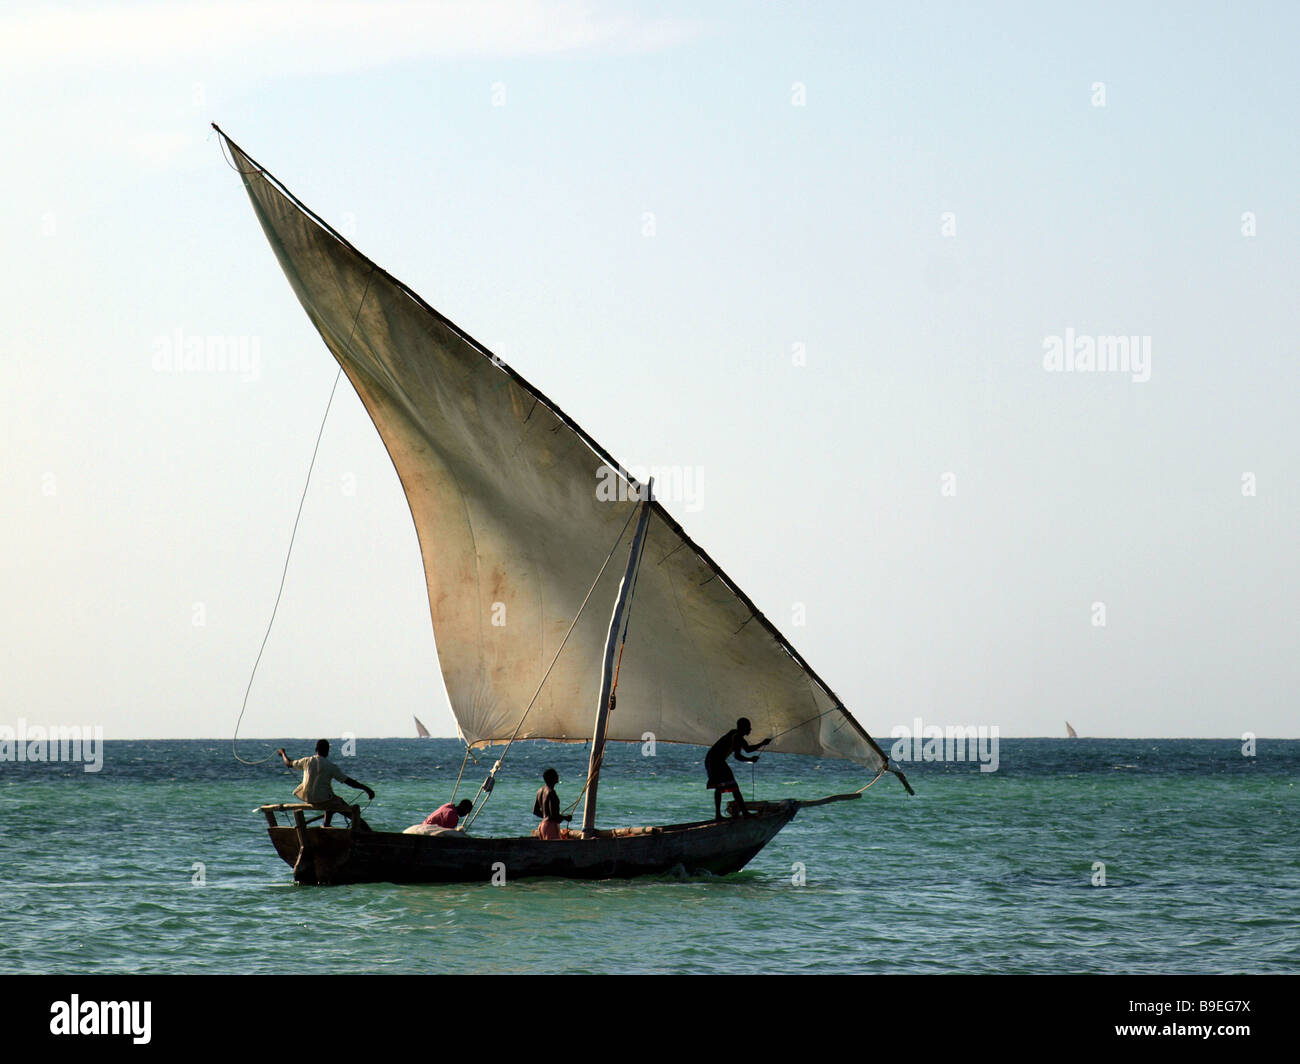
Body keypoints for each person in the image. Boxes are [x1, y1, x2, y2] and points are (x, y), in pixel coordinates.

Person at [277, 740, 374, 831]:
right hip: (323, 800)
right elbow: (348, 781)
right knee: (347, 810)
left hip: (308, 798)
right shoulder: (331, 766)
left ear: (316, 750)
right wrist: (366, 789)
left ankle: (326, 824)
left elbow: (289, 763)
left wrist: (283, 753)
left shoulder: (307, 761)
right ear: (327, 751)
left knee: (333, 799)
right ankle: (369, 832)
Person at [704, 718, 771, 820]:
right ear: (743, 728)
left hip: (711, 760)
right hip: (715, 761)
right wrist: (750, 759)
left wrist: (762, 743)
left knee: (720, 787)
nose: (750, 729)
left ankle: (719, 815)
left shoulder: (736, 735)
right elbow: (738, 756)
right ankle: (744, 813)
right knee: (734, 787)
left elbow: (747, 749)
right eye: (748, 727)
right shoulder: (736, 737)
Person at [532, 767, 572, 840]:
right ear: (551, 778)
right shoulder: (551, 793)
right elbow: (553, 816)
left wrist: (546, 818)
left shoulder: (540, 791)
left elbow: (535, 811)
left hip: (543, 826)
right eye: (555, 775)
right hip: (550, 827)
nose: (557, 776)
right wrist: (565, 818)